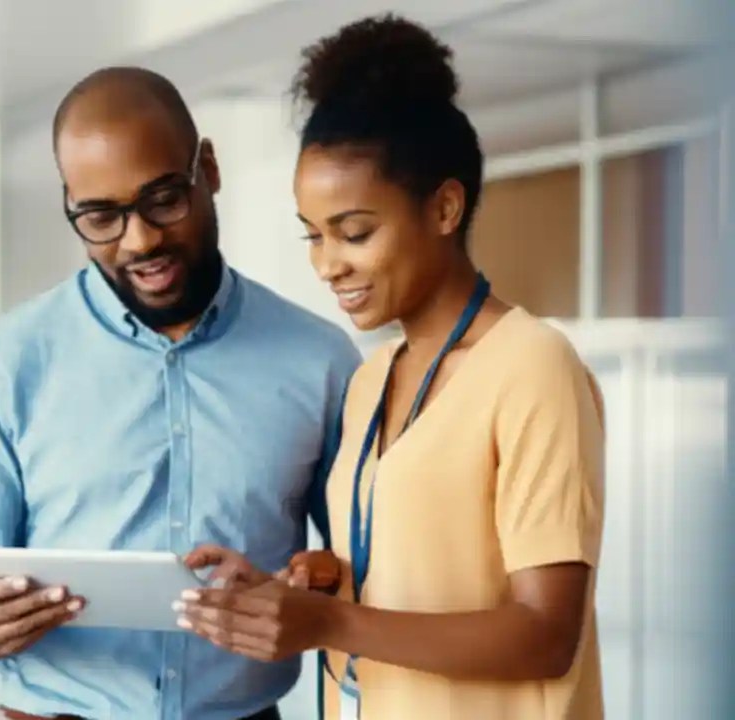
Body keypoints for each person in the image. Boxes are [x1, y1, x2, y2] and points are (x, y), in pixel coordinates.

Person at [175, 14, 606, 720]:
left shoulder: (533, 365)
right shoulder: (371, 379)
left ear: (444, 206)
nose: (327, 264)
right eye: (313, 235)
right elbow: (421, 580)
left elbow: (545, 634)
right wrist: (313, 589)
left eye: (355, 232)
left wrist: (331, 625)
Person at [0, 66, 361, 720]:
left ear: (207, 168)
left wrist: (314, 586)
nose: (141, 239)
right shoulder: (1, 362)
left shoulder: (320, 360)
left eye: (163, 199)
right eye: (101, 216)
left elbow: (360, 565)